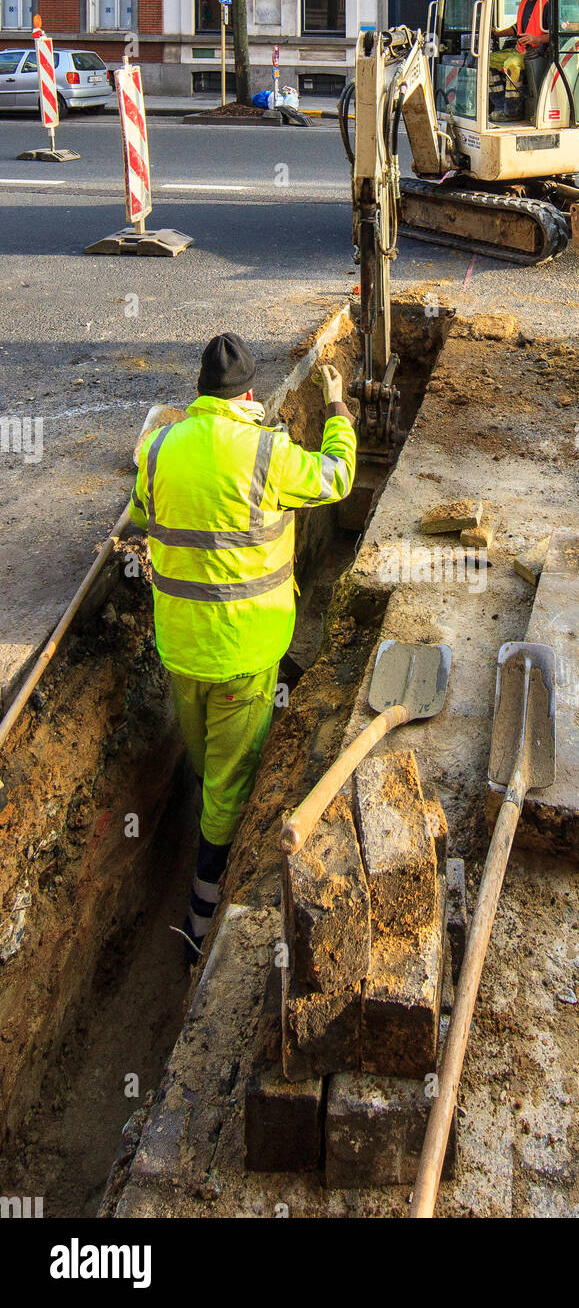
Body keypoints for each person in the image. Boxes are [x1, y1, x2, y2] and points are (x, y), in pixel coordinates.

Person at [128, 333, 356, 964]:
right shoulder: (268, 453)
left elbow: (144, 513)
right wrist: (336, 413)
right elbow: (337, 477)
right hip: (242, 657)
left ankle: (205, 839)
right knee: (229, 790)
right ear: (250, 396)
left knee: (206, 767)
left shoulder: (160, 447)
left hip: (180, 649)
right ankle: (202, 916)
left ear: (202, 394)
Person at [491, 0, 551, 122]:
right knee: (488, 60)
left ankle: (513, 111)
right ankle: (499, 105)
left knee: (511, 64)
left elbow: (553, 35)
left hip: (537, 54)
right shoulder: (525, 3)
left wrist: (535, 39)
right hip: (520, 49)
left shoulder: (547, 4)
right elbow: (518, 28)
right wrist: (497, 33)